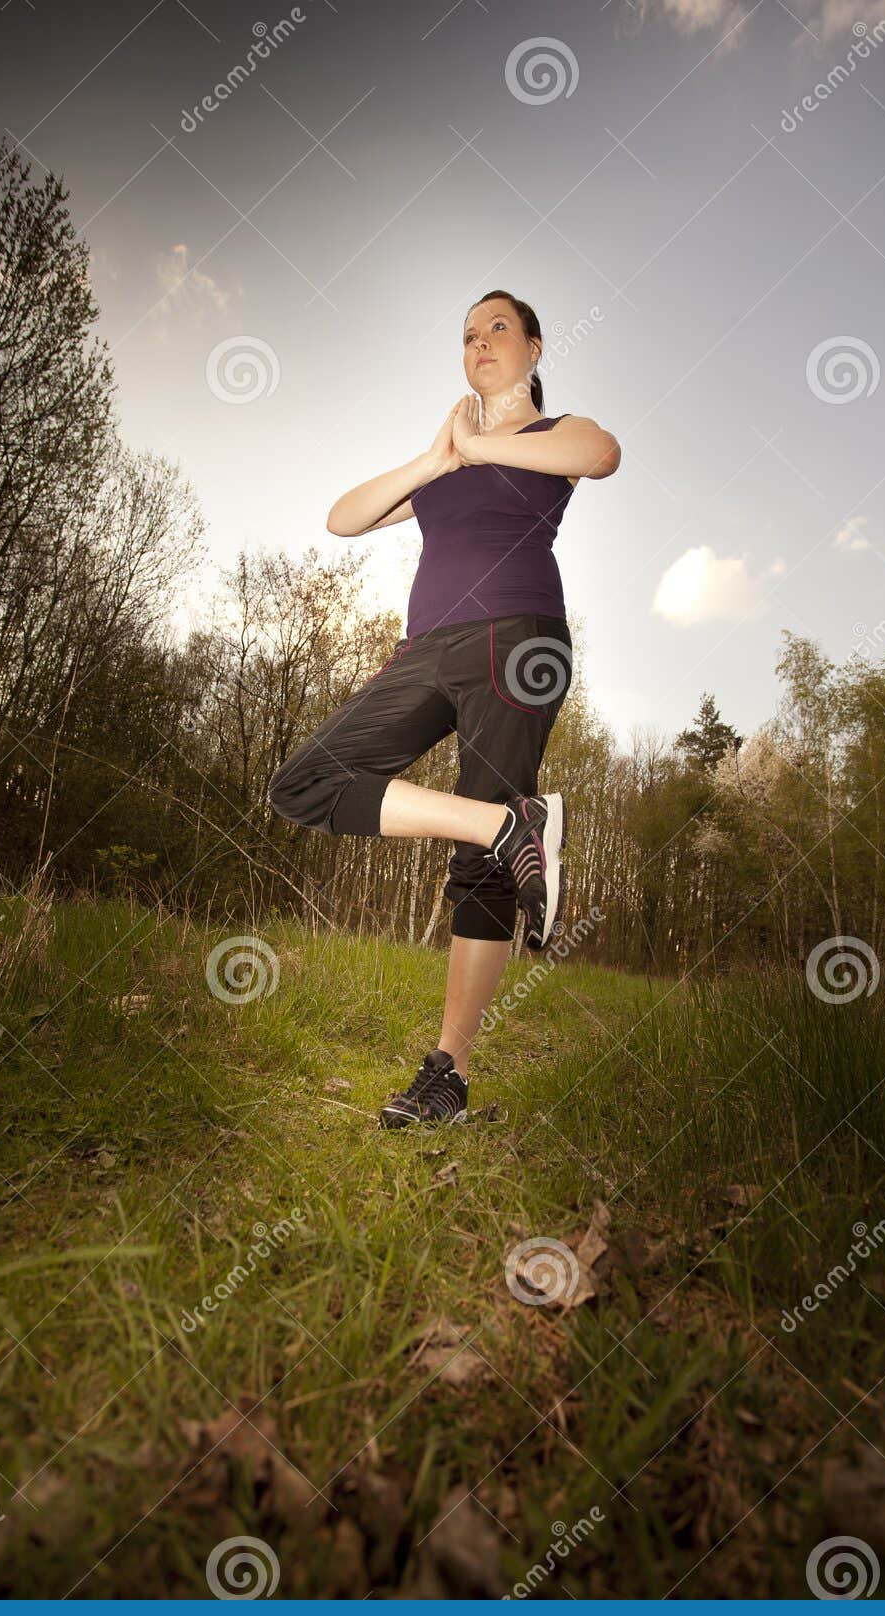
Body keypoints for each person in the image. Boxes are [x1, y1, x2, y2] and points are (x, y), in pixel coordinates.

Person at [267, 289, 620, 1129]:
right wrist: (437, 458)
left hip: (516, 640)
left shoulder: (550, 438)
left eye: (497, 327)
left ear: (533, 347)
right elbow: (341, 518)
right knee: (305, 783)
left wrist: (479, 440)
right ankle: (504, 823)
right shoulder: (451, 461)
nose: (479, 342)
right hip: (422, 649)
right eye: (467, 335)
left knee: (482, 874)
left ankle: (446, 1076)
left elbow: (602, 454)